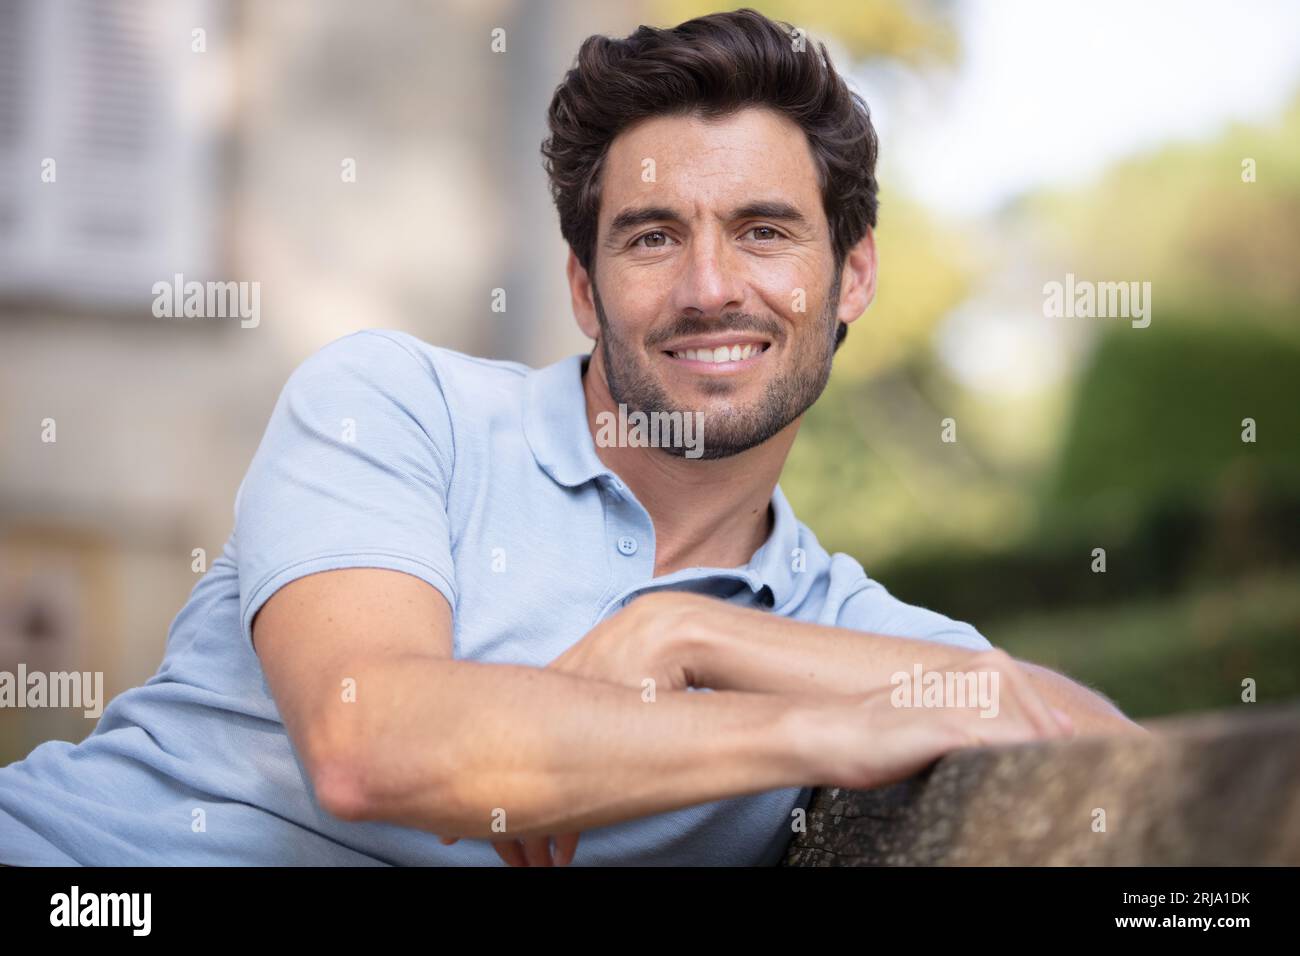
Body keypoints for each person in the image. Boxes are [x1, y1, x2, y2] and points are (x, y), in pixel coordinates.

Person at [0, 7, 1139, 868]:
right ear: (585, 291)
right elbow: (367, 745)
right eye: (651, 237)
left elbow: (1113, 762)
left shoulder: (830, 623)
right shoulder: (393, 405)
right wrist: (811, 730)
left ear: (851, 275)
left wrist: (695, 634)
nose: (709, 286)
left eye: (761, 230)